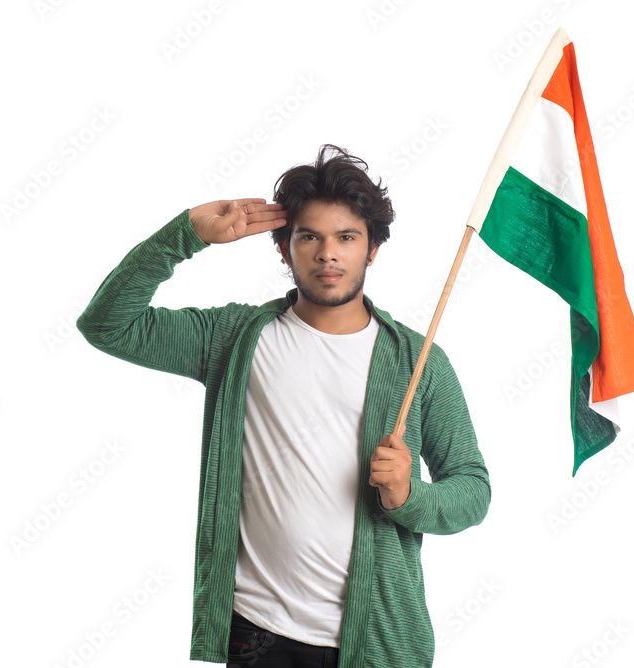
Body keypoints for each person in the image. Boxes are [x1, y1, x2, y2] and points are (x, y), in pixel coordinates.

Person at [76, 144, 491, 667]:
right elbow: (108, 326)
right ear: (284, 248)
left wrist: (409, 495)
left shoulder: (417, 360)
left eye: (346, 237)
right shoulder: (234, 338)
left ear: (373, 249)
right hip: (257, 635)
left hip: (375, 643)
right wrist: (184, 236)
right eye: (309, 236)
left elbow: (472, 489)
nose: (327, 254)